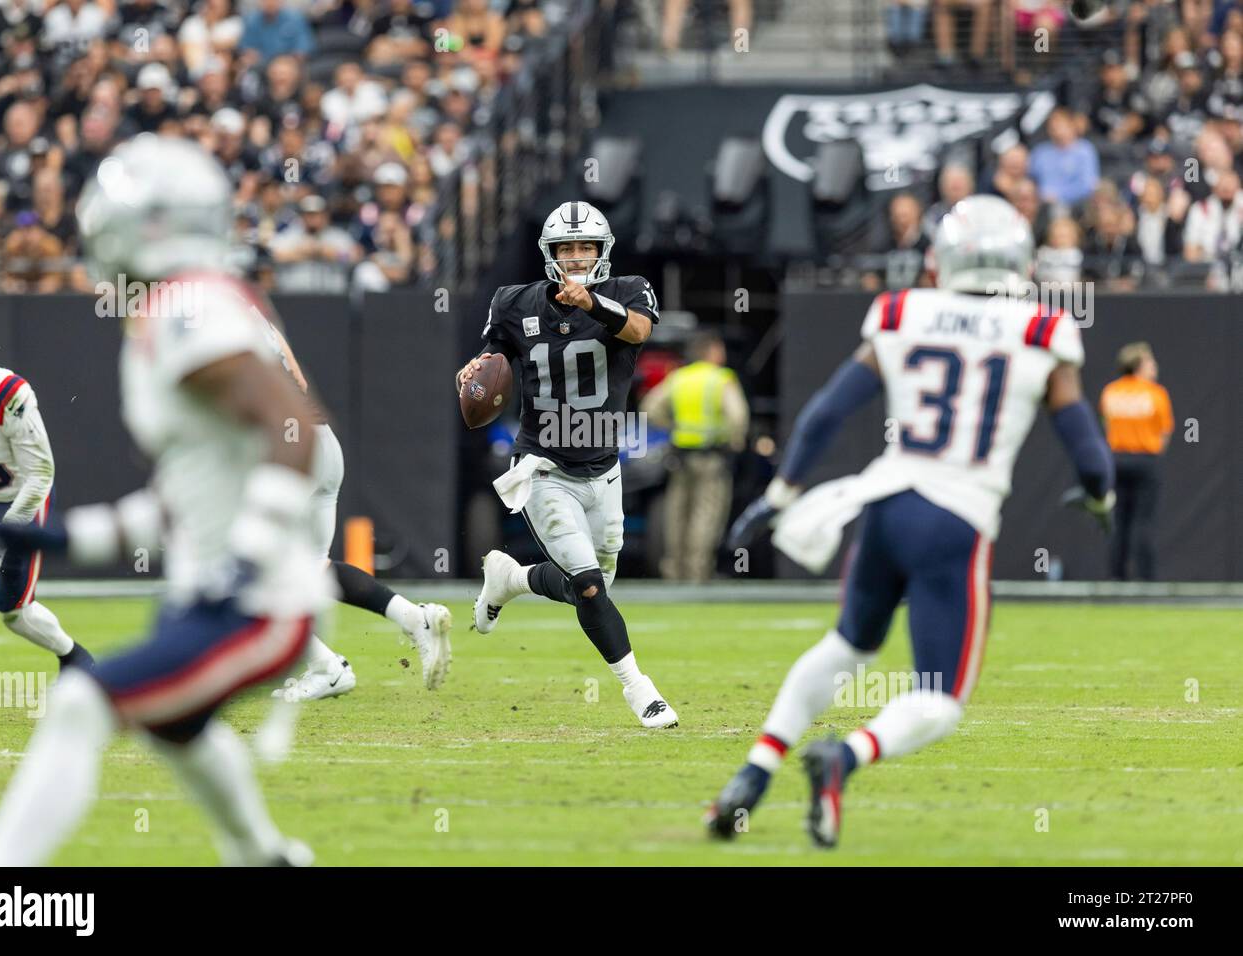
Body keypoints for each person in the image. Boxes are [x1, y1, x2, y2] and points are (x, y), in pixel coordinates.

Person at [706, 195, 1114, 847]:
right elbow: (1089, 453)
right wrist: (1100, 498)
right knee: (940, 698)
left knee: (845, 647)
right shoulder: (1041, 329)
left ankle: (752, 776)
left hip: (887, 505)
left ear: (942, 261)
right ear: (1020, 263)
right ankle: (846, 757)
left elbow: (824, 415)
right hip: (956, 519)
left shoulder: (904, 312)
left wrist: (781, 496)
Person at [0, 136, 330, 866]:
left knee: (80, 705)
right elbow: (179, 502)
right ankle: (266, 856)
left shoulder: (188, 305)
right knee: (180, 730)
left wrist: (249, 558)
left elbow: (293, 433)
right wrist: (66, 539)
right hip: (215, 590)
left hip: (261, 600)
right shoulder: (179, 305)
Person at [457, 201, 679, 729]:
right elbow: (493, 355)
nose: (576, 257)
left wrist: (595, 304)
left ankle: (510, 581)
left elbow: (640, 332)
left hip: (604, 469)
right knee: (587, 585)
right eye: (566, 248)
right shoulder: (514, 302)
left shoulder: (628, 291)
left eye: (585, 248)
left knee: (595, 581)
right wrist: (476, 370)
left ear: (602, 252)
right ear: (550, 254)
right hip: (543, 467)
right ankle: (639, 690)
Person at [258, 316, 452, 701]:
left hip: (286, 447)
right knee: (313, 566)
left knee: (244, 573)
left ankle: (326, 668)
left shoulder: (199, 318)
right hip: (320, 441)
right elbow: (296, 380)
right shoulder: (251, 314)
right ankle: (414, 618)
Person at [0, 301, 94, 671]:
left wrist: (1, 540)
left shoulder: (7, 392)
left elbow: (41, 474)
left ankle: (75, 658)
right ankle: (0, 581)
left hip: (24, 501)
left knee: (13, 612)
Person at [640, 330, 748, 582]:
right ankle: (697, 573)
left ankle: (674, 571)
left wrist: (672, 427)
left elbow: (650, 406)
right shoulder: (720, 379)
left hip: (680, 456)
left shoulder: (678, 377)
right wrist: (734, 439)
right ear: (711, 351)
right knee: (705, 514)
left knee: (678, 514)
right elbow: (738, 416)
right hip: (711, 457)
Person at [1099, 342, 1173, 581]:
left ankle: (1116, 578)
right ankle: (1147, 580)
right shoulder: (1155, 393)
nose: (1155, 366)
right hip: (1145, 461)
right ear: (1139, 365)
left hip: (1116, 460)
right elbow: (1164, 433)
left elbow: (1106, 425)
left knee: (1118, 521)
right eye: (1150, 362)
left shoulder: (1110, 391)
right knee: (1143, 521)